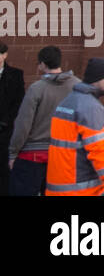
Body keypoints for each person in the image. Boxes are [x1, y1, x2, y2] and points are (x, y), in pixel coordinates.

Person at [7, 46, 78, 196]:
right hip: (63, 154)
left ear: (43, 65)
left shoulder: (37, 89)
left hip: (32, 156)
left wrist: (13, 152)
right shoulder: (76, 86)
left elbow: (23, 124)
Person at [47, 58, 104, 198]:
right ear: (96, 79)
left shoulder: (67, 102)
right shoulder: (92, 108)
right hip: (81, 190)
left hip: (57, 187)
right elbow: (98, 151)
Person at [0, 42, 23, 196]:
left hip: (5, 131)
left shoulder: (15, 74)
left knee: (4, 171)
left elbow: (19, 103)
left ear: (5, 55)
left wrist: (5, 122)